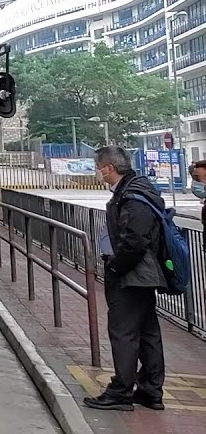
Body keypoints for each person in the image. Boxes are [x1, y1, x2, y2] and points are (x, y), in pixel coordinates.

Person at [85, 146, 166, 411]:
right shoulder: (138, 189)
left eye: (100, 168)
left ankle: (121, 391)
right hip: (143, 274)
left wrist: (116, 267)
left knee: (124, 333)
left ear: (109, 168)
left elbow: (134, 240)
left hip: (133, 275)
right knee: (147, 332)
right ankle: (150, 390)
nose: (99, 173)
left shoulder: (132, 196)